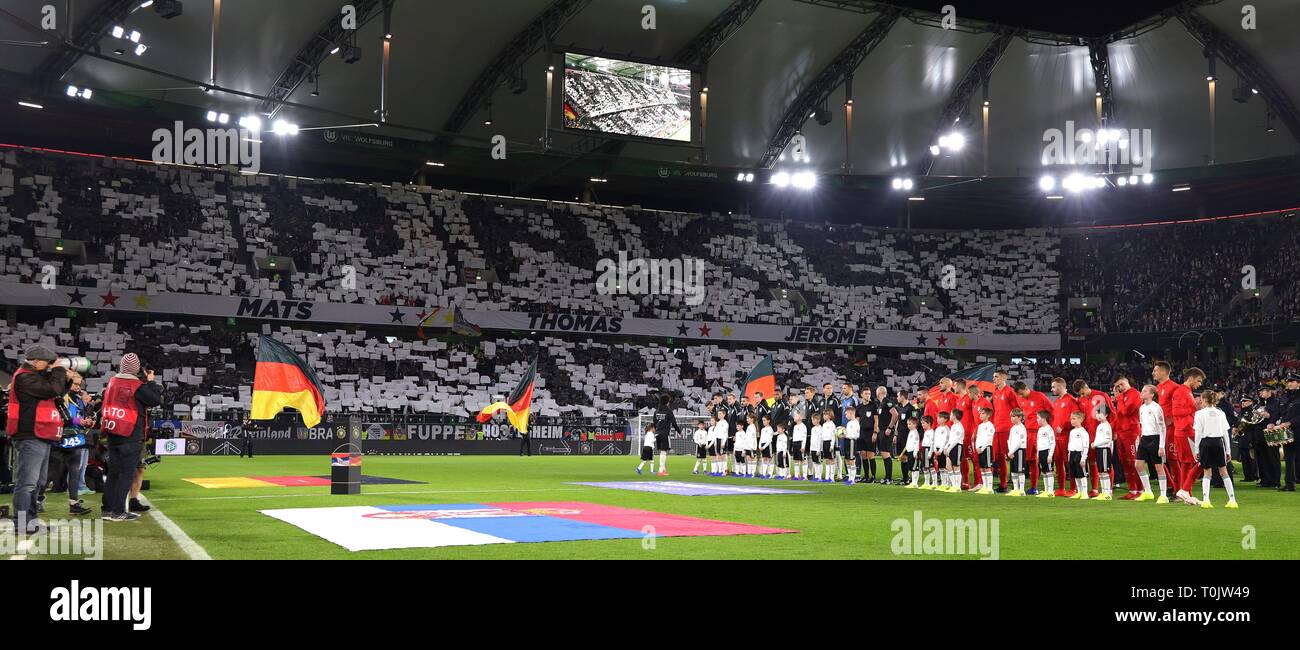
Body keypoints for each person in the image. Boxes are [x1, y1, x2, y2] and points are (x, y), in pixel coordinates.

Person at [6, 345, 78, 533]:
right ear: (36, 361)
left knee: (39, 482)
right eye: (47, 363)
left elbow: (57, 392)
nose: (49, 366)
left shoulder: (34, 376)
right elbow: (51, 389)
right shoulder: (24, 376)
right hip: (30, 433)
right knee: (27, 482)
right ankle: (21, 523)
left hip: (40, 433)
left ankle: (31, 521)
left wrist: (66, 380)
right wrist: (60, 370)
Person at [99, 353, 162, 521]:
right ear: (136, 368)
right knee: (126, 474)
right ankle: (119, 511)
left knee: (113, 473)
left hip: (113, 431)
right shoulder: (137, 385)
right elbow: (155, 399)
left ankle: (107, 509)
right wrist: (151, 381)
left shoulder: (112, 382)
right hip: (130, 433)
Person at [1192, 389, 1238, 509]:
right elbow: (1225, 433)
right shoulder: (1220, 413)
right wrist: (1228, 451)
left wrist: (1196, 450)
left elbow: (1198, 433)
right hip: (1219, 442)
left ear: (1204, 400)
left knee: (1207, 472)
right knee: (1224, 471)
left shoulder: (1199, 414)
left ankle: (1206, 500)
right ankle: (1232, 500)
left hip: (1206, 443)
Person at [1171, 368, 1205, 505]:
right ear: (1191, 378)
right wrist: (1193, 409)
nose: (1199, 384)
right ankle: (1185, 490)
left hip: (1185, 430)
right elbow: (1176, 411)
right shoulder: (1181, 391)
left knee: (1187, 462)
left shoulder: (1186, 391)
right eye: (1198, 381)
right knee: (1202, 460)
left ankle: (1186, 493)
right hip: (1185, 431)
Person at [1074, 379, 1114, 498]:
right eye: (1079, 394)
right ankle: (1095, 489)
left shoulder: (1101, 396)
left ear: (1086, 386)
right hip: (1089, 435)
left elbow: (1111, 413)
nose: (1081, 396)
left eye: (1082, 393)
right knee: (1092, 462)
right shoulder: (1081, 400)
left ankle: (1109, 490)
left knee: (1105, 463)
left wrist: (1111, 431)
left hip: (1102, 435)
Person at [1013, 382, 1051, 495]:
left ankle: (1047, 489)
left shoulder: (1040, 396)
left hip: (1040, 433)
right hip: (1028, 433)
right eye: (1019, 395)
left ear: (1026, 388)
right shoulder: (1020, 400)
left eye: (1022, 393)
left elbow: (1051, 410)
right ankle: (1033, 488)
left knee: (1043, 460)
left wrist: (1048, 428)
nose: (1021, 396)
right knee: (1030, 460)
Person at [1265, 374, 1300, 491]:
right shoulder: (1284, 397)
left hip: (1297, 429)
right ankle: (1290, 484)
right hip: (1287, 432)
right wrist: (1272, 422)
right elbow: (1278, 412)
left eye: (1293, 381)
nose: (1290, 383)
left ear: (1299, 383)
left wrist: (1290, 422)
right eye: (1288, 381)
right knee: (1289, 458)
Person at [1135, 384, 1170, 503]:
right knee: (1138, 465)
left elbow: (1162, 427)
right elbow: (1142, 425)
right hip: (1144, 438)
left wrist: (1161, 446)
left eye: (1144, 391)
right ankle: (1148, 492)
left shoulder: (1156, 408)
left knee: (1158, 467)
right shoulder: (1142, 408)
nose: (1142, 392)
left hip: (1155, 438)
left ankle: (1163, 495)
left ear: (1151, 394)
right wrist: (1140, 437)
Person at [1111, 376, 1144, 499]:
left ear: (1127, 382)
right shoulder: (1122, 397)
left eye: (1121, 384)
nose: (1120, 388)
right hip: (1121, 433)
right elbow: (1119, 414)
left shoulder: (1134, 394)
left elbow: (1126, 411)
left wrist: (1118, 399)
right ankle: (1132, 490)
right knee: (1125, 463)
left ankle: (1141, 490)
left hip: (1132, 432)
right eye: (1117, 386)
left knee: (1134, 462)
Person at [1050, 377, 1079, 496]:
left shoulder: (1071, 400)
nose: (1052, 389)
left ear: (1061, 386)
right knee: (1058, 463)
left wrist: (1064, 426)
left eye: (1054, 387)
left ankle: (1073, 489)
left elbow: (1076, 417)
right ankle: (1061, 488)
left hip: (1067, 436)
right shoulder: (1056, 401)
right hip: (1056, 437)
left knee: (1069, 463)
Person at [989, 370, 1016, 492]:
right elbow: (995, 411)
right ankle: (1003, 485)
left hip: (1007, 428)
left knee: (1011, 456)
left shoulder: (1010, 392)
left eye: (996, 376)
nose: (994, 379)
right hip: (997, 428)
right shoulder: (995, 393)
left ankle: (1017, 486)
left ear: (1004, 378)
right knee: (999, 457)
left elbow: (1017, 409)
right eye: (994, 377)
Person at [653, 393, 680, 476]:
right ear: (667, 401)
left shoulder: (656, 411)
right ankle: (661, 470)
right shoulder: (668, 411)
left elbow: (654, 422)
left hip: (657, 433)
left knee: (662, 451)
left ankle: (663, 469)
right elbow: (674, 422)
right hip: (664, 433)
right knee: (664, 452)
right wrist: (679, 431)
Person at [1091, 407, 1115, 501]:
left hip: (1104, 449)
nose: (1098, 416)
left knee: (1104, 472)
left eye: (1100, 413)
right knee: (1100, 472)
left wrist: (1095, 444)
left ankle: (1108, 493)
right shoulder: (1100, 425)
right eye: (1097, 413)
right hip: (1099, 450)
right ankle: (1103, 492)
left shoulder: (1106, 426)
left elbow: (1107, 439)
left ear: (1106, 415)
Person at [1067, 411, 1091, 500]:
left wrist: (1083, 458)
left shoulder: (1083, 432)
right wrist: (1069, 454)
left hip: (1080, 454)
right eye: (1071, 419)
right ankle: (1079, 492)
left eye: (1074, 419)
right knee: (1075, 474)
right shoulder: (1072, 432)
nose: (1072, 421)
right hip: (1072, 453)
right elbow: (1070, 443)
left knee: (1082, 474)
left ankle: (1085, 493)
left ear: (1081, 419)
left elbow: (1086, 445)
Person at [1034, 410, 1057, 498]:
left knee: (1049, 471)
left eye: (1038, 418)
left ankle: (1051, 491)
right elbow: (1039, 443)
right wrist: (1037, 454)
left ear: (1043, 419)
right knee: (1044, 472)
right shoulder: (1040, 429)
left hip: (1047, 451)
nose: (1037, 420)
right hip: (1041, 452)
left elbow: (1053, 443)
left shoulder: (1049, 429)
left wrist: (1050, 455)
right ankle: (1046, 490)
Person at [974, 407, 996, 494]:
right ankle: (985, 487)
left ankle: (989, 488)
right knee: (982, 468)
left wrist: (982, 448)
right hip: (979, 449)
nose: (981, 415)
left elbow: (989, 438)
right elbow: (978, 437)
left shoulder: (990, 425)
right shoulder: (980, 426)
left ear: (988, 415)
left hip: (986, 448)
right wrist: (977, 448)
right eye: (980, 413)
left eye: (983, 413)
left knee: (987, 467)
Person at [1007, 408, 1028, 496]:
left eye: (1013, 416)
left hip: (1019, 451)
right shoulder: (1012, 428)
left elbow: (1020, 442)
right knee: (1013, 471)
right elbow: (1009, 440)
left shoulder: (1021, 428)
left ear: (1019, 417)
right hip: (1012, 452)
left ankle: (1022, 490)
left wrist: (1011, 451)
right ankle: (1015, 488)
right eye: (1011, 416)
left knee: (1020, 471)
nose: (1011, 418)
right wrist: (1010, 451)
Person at [900, 417, 921, 488]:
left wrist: (915, 452)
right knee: (912, 467)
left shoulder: (915, 432)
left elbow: (916, 442)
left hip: (914, 452)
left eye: (910, 424)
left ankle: (915, 482)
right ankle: (913, 482)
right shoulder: (910, 432)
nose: (908, 425)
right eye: (907, 424)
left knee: (915, 467)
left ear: (915, 425)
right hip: (909, 451)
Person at [842, 405, 859, 485]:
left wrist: (847, 435)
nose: (845, 416)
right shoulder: (849, 423)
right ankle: (849, 477)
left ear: (851, 413)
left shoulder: (856, 423)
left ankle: (852, 479)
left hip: (852, 441)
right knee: (847, 459)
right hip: (847, 441)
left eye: (846, 414)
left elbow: (856, 435)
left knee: (852, 460)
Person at [920, 415, 937, 490]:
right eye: (922, 423)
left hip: (928, 449)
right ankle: (926, 482)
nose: (922, 425)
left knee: (931, 466)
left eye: (923, 423)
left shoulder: (931, 432)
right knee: (925, 467)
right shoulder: (926, 432)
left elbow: (932, 443)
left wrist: (930, 453)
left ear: (929, 423)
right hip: (924, 449)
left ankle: (934, 482)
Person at [791, 411, 808, 481]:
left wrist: (803, 446)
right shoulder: (795, 426)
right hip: (795, 444)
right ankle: (796, 475)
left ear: (800, 417)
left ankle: (804, 476)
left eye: (796, 416)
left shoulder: (803, 426)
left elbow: (804, 437)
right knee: (796, 460)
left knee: (803, 460)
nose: (794, 417)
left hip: (800, 443)